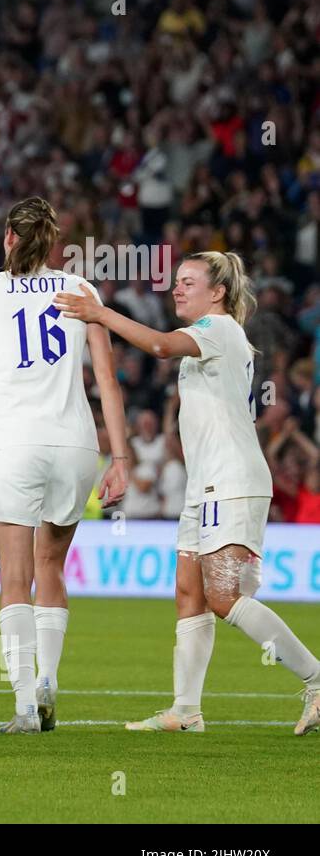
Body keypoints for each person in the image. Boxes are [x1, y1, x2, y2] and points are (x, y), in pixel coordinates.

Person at [56, 252, 320, 735]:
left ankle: (317, 679)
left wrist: (99, 313)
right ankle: (186, 710)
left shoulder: (218, 329)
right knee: (189, 594)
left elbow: (157, 346)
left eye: (188, 282)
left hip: (233, 479)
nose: (176, 289)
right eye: (176, 281)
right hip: (206, 483)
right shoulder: (208, 336)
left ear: (216, 292)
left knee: (224, 596)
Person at [0, 197, 129, 734]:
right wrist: (120, 457)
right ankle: (48, 676)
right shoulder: (82, 292)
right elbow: (108, 384)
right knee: (52, 567)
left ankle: (25, 704)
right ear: (52, 244)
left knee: (14, 578)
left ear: (7, 238)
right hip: (74, 445)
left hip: (15, 445)